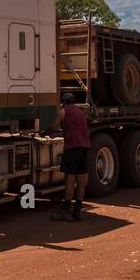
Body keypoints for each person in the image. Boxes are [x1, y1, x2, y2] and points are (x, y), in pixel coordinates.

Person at [53, 92, 90, 221]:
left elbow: (54, 126)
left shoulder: (63, 112)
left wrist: (46, 131)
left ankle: (65, 210)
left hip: (72, 148)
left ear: (63, 102)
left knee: (70, 179)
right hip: (84, 148)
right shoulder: (81, 113)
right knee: (81, 180)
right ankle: (78, 210)